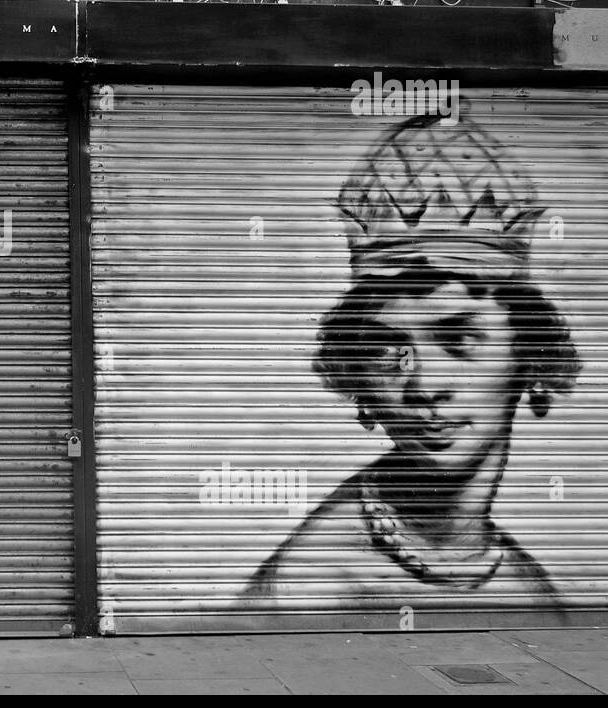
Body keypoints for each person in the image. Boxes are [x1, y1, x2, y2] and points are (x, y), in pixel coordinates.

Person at [241, 113, 580, 614]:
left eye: (460, 338)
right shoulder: (314, 585)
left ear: (529, 356)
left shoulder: (523, 579)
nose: (424, 384)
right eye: (388, 348)